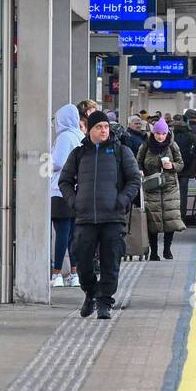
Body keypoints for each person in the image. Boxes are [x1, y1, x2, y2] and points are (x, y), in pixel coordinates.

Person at [59, 110, 141, 320]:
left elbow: (134, 180)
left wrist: (121, 201)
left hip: (113, 218)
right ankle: (90, 292)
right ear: (89, 130)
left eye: (105, 126)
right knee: (83, 260)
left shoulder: (121, 152)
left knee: (110, 262)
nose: (104, 130)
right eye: (99, 127)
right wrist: (73, 201)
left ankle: (105, 302)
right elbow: (65, 181)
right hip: (86, 217)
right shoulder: (79, 153)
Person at [136, 119, 186, 260]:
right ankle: (154, 252)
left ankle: (167, 250)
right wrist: (140, 170)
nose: (160, 136)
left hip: (169, 186)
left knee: (170, 219)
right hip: (151, 186)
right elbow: (138, 161)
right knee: (153, 220)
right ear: (153, 133)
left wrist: (173, 166)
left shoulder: (172, 146)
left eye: (163, 133)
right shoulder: (146, 146)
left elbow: (181, 164)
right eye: (158, 133)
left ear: (167, 133)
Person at [49, 103, 82, 287]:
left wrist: (45, 159)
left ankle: (57, 274)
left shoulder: (64, 137)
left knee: (61, 234)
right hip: (75, 191)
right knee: (72, 235)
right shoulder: (79, 135)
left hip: (59, 190)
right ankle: (74, 274)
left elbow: (58, 162)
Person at [170, 111, 196, 219]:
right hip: (187, 167)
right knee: (183, 193)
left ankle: (172, 216)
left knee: (171, 192)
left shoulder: (170, 135)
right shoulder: (190, 134)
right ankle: (182, 217)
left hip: (172, 167)